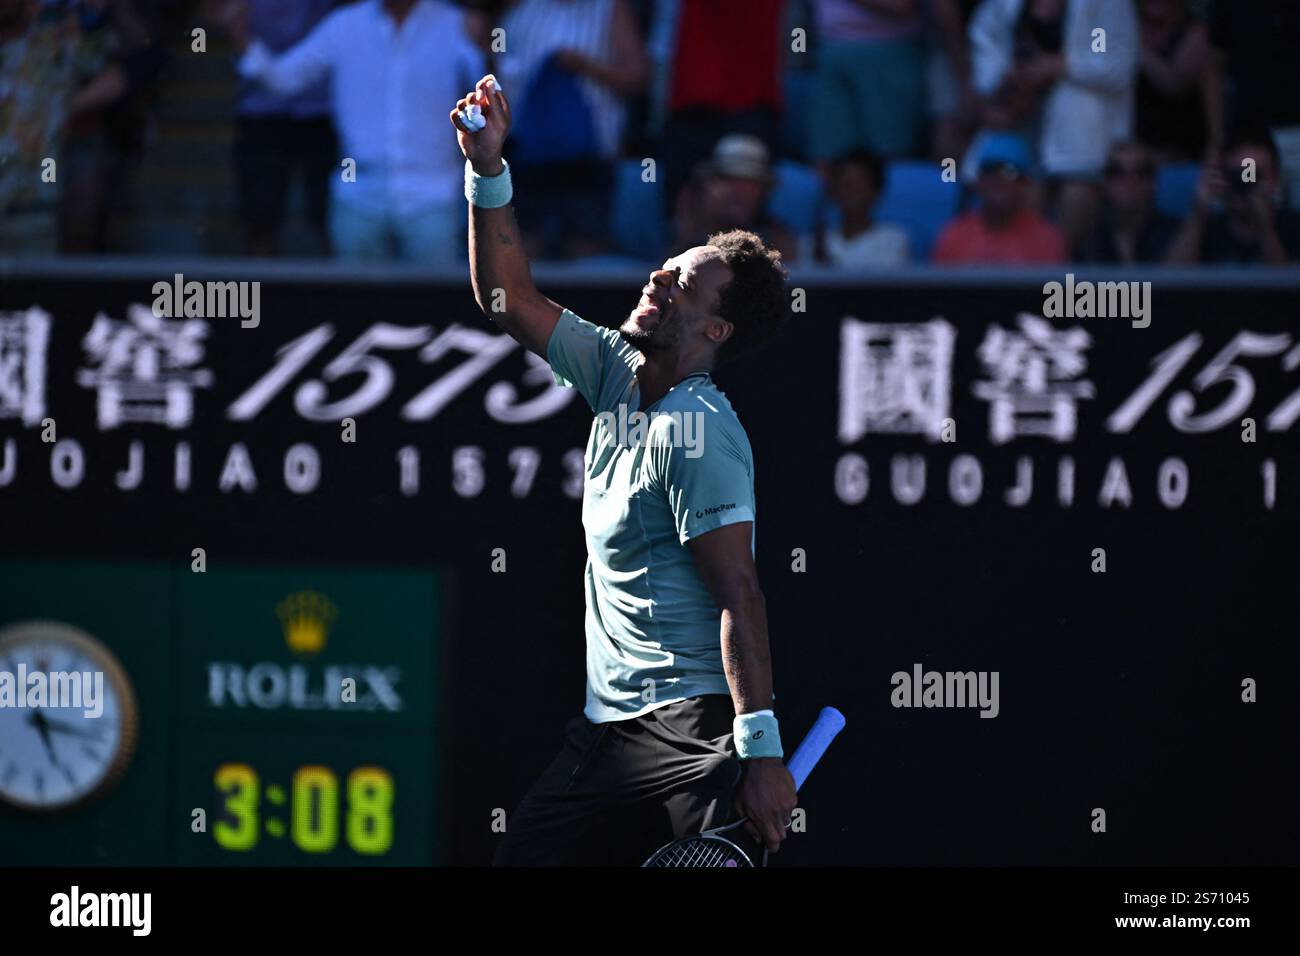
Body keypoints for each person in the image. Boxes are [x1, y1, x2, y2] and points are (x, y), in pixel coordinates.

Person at [451, 74, 798, 865]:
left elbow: (738, 592)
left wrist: (762, 749)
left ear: (712, 326)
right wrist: (486, 165)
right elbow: (505, 295)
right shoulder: (613, 368)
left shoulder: (701, 431)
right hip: (610, 727)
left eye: (681, 283)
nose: (658, 277)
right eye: (667, 264)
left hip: (693, 728)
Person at [217, 0, 485, 263]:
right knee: (357, 304)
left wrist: (486, 48)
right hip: (358, 194)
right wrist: (241, 38)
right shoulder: (344, 25)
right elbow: (283, 80)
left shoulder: (457, 24)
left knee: (435, 304)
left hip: (433, 195)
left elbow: (489, 97)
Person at [967, 0, 1139, 252]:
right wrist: (1008, 81)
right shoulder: (1002, 5)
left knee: (1077, 194)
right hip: (1019, 121)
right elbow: (986, 55)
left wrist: (1062, 66)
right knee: (1021, 188)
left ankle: (1054, 273)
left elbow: (1117, 66)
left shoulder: (1106, 4)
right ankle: (1020, 277)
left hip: (1083, 129)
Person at [493, 0, 649, 259]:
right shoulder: (519, 10)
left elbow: (638, 77)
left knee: (587, 251)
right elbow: (495, 74)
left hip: (591, 161)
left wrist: (583, 65)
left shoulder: (610, 8)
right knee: (523, 250)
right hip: (528, 159)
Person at [212, 0, 338, 257]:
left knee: (331, 213)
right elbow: (211, 14)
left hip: (321, 106)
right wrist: (232, 23)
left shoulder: (343, 23)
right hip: (259, 107)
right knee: (259, 215)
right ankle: (262, 293)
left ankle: (344, 291)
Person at [807, 0, 927, 164]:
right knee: (829, 158)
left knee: (891, 157)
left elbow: (901, 5)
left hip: (888, 51)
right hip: (828, 49)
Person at [1165, 130, 1300, 266]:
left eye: (1253, 176)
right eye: (1237, 175)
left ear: (1275, 180)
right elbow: (1169, 279)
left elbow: (1286, 284)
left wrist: (1266, 230)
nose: (1244, 183)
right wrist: (1198, 213)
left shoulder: (1294, 228)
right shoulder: (1206, 229)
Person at [932, 132, 1066, 265]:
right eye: (990, 171)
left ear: (1025, 184)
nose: (998, 180)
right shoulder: (954, 236)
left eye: (1009, 172)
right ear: (979, 180)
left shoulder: (1047, 240)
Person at [671, 134, 796, 262]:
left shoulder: (777, 240)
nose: (739, 190)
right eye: (728, 179)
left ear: (763, 190)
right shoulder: (681, 232)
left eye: (750, 182)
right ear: (708, 185)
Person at [1076, 141, 1179, 264]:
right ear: (1104, 182)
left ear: (1153, 182)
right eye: (1116, 172)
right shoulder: (1088, 238)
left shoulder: (1175, 234)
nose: (1129, 180)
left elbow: (1174, 278)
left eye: (1141, 172)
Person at [804, 150, 909, 268]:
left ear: (876, 191)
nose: (850, 193)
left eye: (858, 186)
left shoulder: (893, 240)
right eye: (845, 185)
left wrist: (826, 262)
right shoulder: (813, 242)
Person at [1133, 0, 1208, 163]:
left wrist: (1138, 50)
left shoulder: (1195, 31)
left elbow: (1175, 85)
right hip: (1138, 142)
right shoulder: (1134, 23)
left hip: (1180, 148)